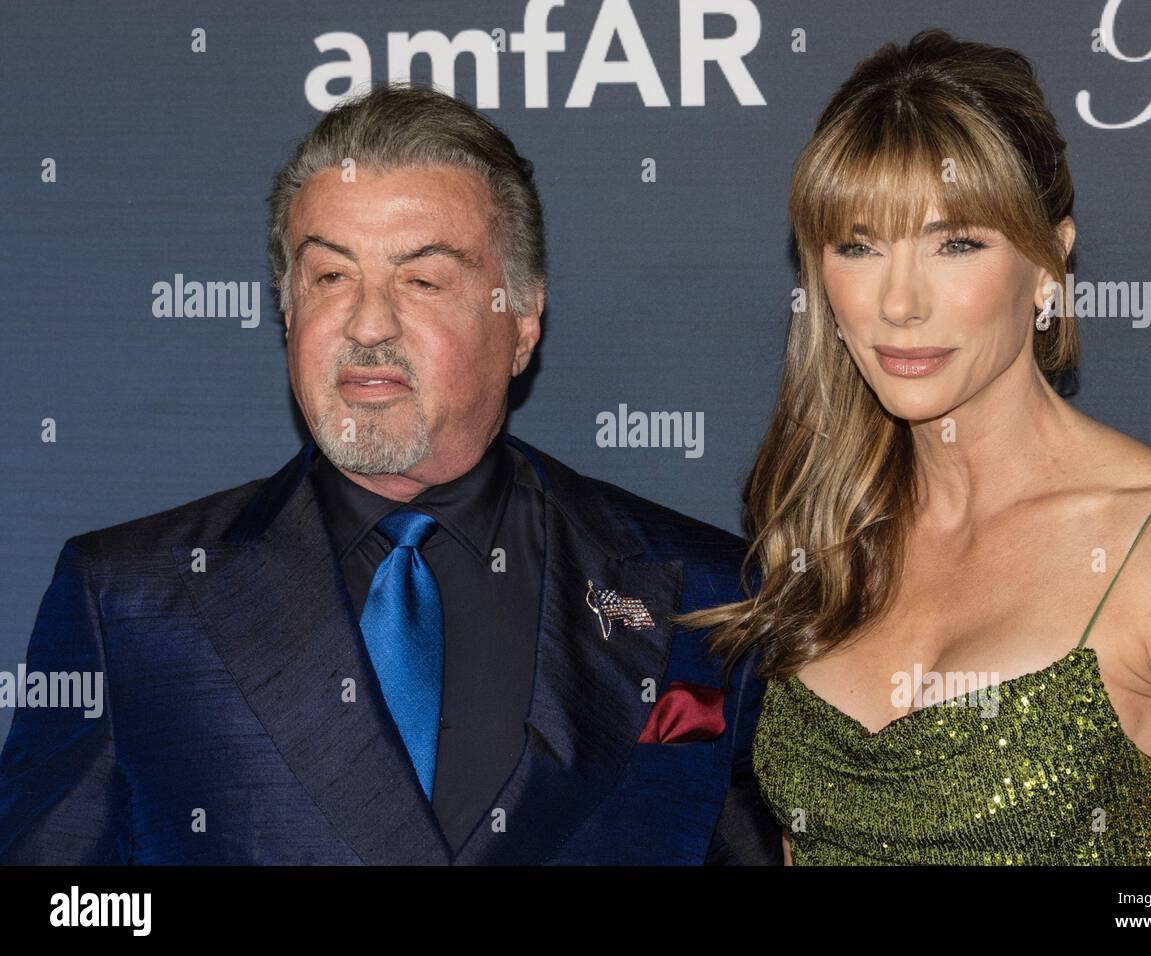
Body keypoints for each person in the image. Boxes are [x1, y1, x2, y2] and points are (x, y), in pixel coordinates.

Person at [0, 83, 782, 865]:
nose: (368, 324)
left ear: (523, 320)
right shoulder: (130, 601)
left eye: (423, 279)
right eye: (331, 278)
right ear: (287, 307)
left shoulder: (710, 599)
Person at [680, 29, 1151, 865]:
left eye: (956, 243)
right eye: (859, 246)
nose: (899, 302)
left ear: (1050, 262)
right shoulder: (829, 534)